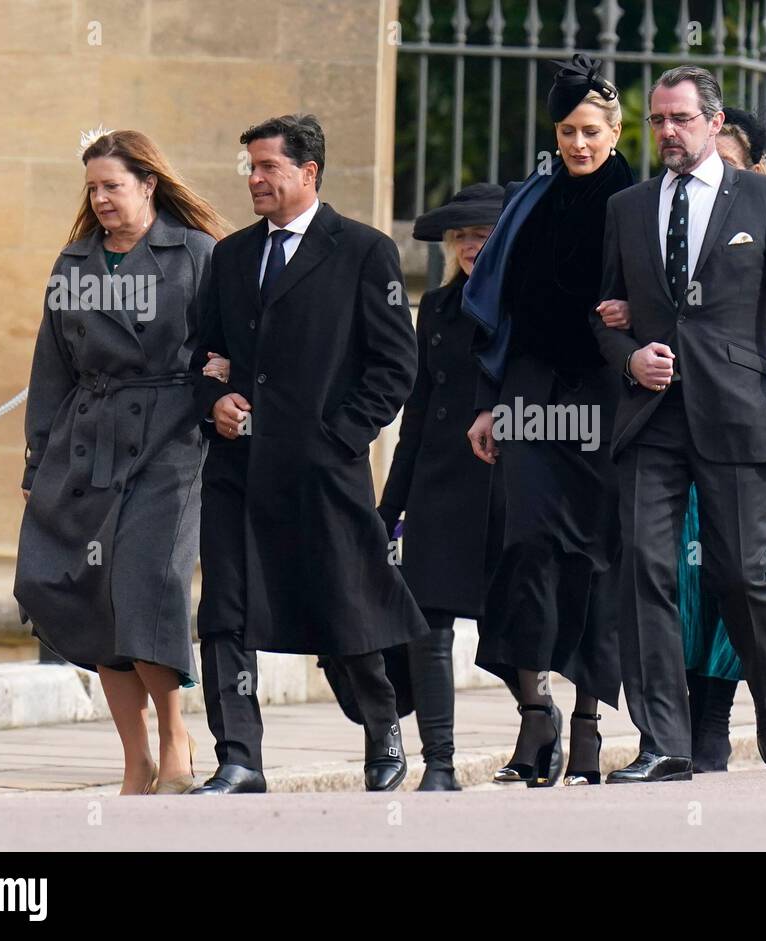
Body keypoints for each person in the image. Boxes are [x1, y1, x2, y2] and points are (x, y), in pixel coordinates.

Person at [592, 66, 766, 784]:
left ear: (711, 120)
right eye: (657, 120)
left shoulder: (764, 198)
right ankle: (663, 740)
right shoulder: (627, 207)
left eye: (681, 119)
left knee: (740, 573)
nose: (667, 131)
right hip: (651, 420)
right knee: (645, 570)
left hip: (737, 414)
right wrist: (631, 358)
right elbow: (604, 313)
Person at [189, 113, 427, 794]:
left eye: (267, 167)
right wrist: (215, 403)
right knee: (225, 614)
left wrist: (337, 440)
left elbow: (393, 366)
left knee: (342, 607)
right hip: (237, 471)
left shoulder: (363, 251)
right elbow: (201, 357)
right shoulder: (230, 255)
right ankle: (240, 757)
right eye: (251, 168)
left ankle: (382, 726)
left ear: (308, 172)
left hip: (323, 472)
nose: (255, 180)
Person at [16, 129, 226, 795]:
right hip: (86, 441)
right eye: (93, 188)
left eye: (112, 185)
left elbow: (231, 341)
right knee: (90, 596)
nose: (101, 198)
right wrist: (37, 464)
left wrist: (222, 374)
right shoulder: (73, 264)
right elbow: (50, 371)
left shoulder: (196, 254)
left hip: (169, 442)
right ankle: (135, 756)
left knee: (148, 584)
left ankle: (175, 738)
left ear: (148, 184)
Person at [463, 53, 634, 787]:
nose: (578, 143)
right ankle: (536, 711)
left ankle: (590, 722)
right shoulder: (531, 199)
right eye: (567, 130)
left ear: (616, 129)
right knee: (524, 543)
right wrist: (491, 402)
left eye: (591, 130)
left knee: (594, 557)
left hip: (604, 393)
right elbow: (503, 306)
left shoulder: (639, 199)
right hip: (531, 391)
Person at [373, 183, 507, 791]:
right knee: (428, 627)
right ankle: (440, 762)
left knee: (516, 626)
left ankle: (540, 721)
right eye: (463, 238)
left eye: (485, 235)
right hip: (437, 485)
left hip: (506, 485)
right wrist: (390, 506)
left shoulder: (525, 305)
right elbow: (418, 410)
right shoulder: (437, 308)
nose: (473, 246)